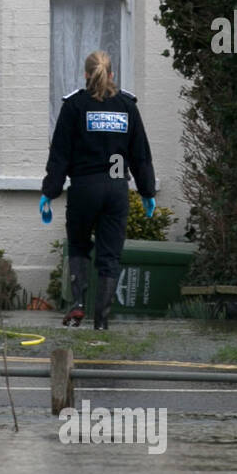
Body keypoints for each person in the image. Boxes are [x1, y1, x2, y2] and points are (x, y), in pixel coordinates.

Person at [39, 51, 157, 330]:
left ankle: (78, 304)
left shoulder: (74, 106)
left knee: (79, 246)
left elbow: (60, 155)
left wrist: (50, 191)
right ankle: (102, 321)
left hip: (84, 187)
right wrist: (147, 192)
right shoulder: (128, 106)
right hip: (116, 188)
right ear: (112, 75)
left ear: (86, 75)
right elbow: (141, 155)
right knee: (110, 255)